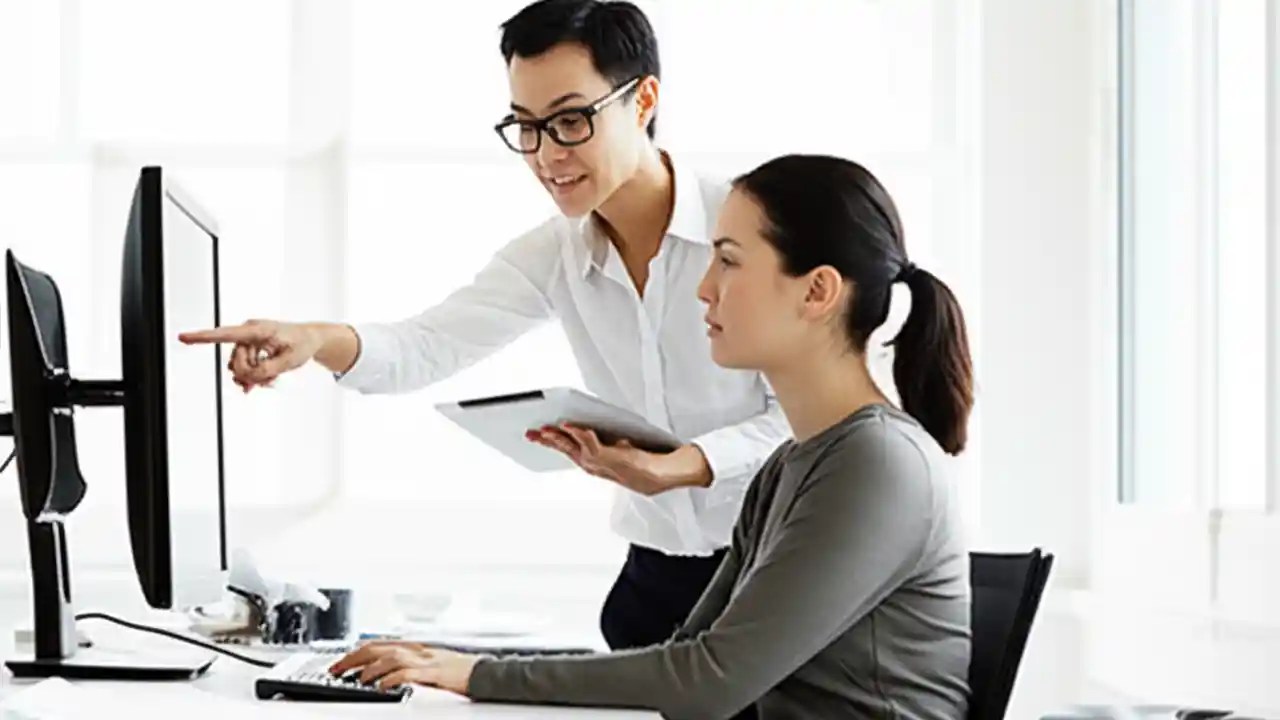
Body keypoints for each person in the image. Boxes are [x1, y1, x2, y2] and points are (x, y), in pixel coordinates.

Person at [178, 0, 790, 652]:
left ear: (642, 102)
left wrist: (687, 466)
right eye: (525, 126)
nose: (545, 154)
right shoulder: (553, 254)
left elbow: (827, 416)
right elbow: (426, 346)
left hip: (776, 573)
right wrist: (313, 340)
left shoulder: (753, 224)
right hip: (650, 588)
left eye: (570, 120)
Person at [327, 154, 976, 720]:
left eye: (727, 261)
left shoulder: (879, 463)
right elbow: (682, 660)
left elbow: (710, 683)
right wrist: (459, 662)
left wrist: (469, 672)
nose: (703, 288)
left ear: (817, 291)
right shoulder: (790, 466)